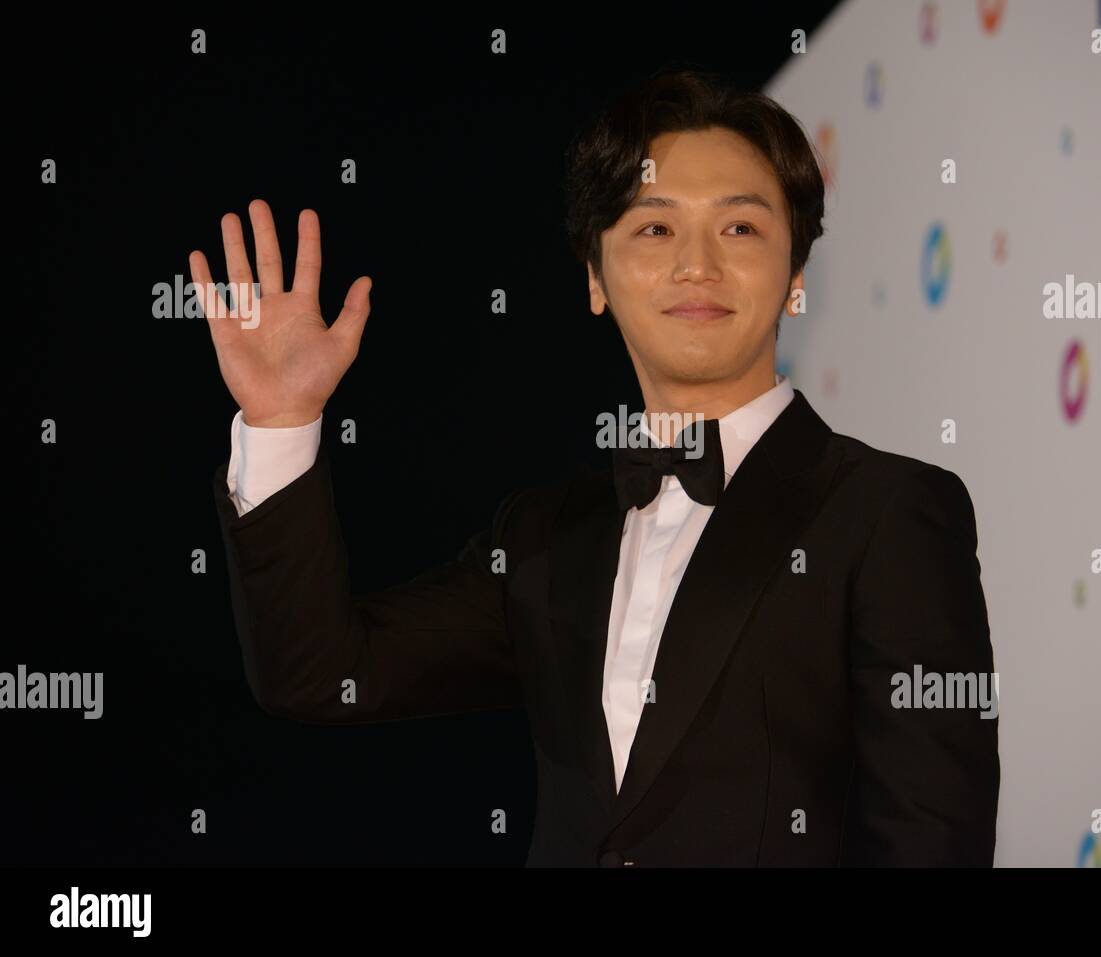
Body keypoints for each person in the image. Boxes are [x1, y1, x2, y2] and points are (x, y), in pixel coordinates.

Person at [193, 69, 999, 867]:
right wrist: (281, 421)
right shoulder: (545, 538)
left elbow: (931, 842)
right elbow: (320, 673)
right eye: (654, 228)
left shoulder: (888, 512)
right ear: (594, 279)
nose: (696, 264)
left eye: (741, 228)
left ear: (795, 278)